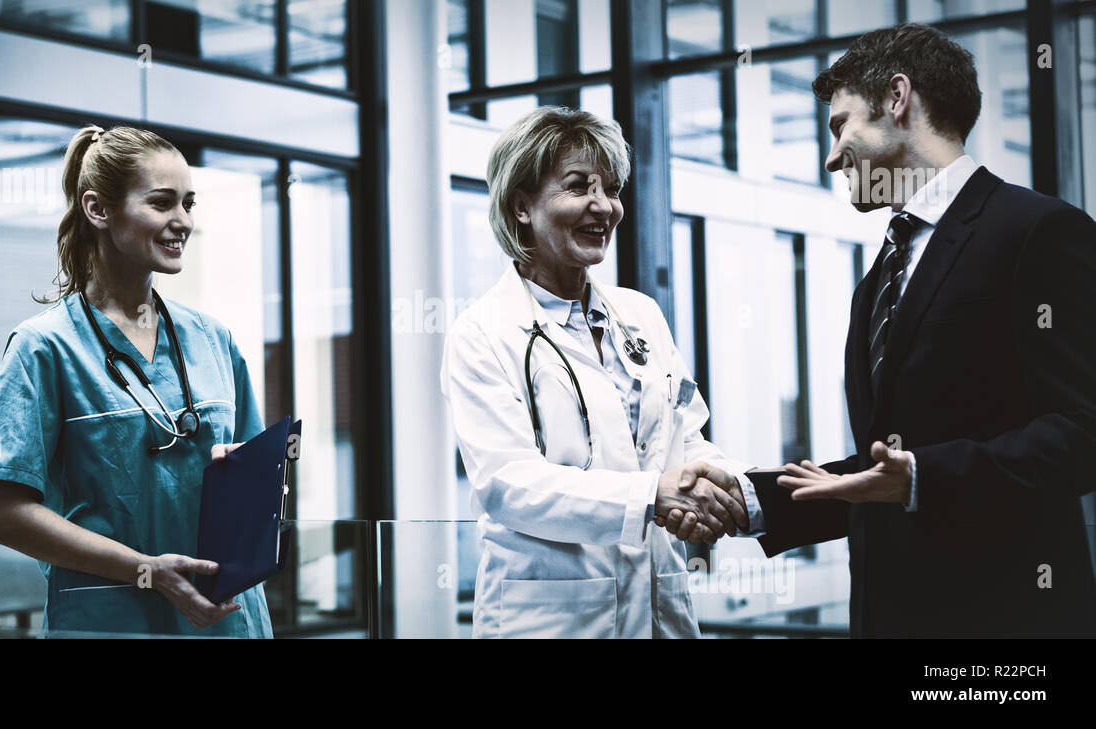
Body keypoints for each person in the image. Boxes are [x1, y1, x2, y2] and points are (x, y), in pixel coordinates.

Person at [666, 24, 1096, 637]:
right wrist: (751, 498)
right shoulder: (880, 278)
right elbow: (883, 471)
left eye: (841, 125)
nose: (832, 156)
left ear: (898, 99)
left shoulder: (1039, 233)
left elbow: (1083, 432)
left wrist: (922, 476)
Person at [440, 106, 764, 639]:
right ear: (522, 206)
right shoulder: (482, 334)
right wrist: (653, 496)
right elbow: (510, 484)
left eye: (611, 189)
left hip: (660, 610)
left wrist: (733, 488)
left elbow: (683, 444)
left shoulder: (641, 316)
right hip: (551, 622)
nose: (605, 207)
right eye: (578, 187)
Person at [0, 125, 272, 637]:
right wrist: (147, 572)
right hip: (109, 620)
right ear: (98, 210)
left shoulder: (213, 340)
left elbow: (260, 483)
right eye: (162, 203)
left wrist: (250, 488)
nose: (183, 222)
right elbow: (4, 514)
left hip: (225, 621)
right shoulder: (44, 347)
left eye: (188, 204)